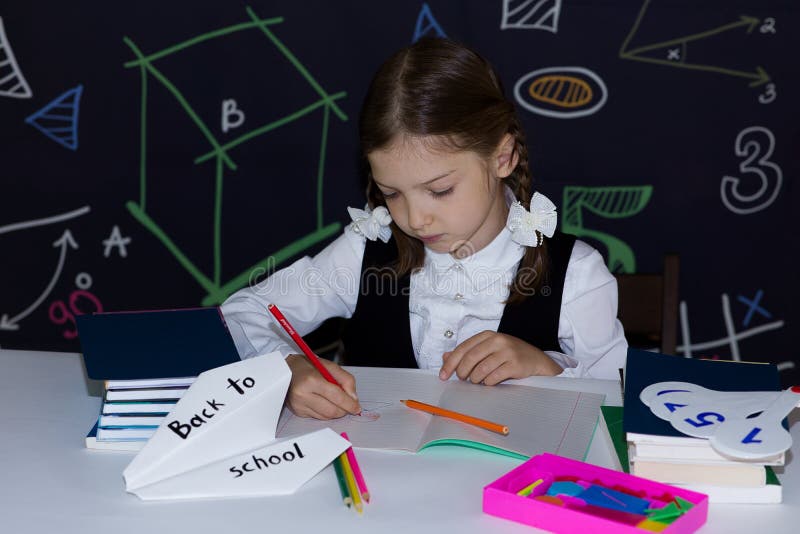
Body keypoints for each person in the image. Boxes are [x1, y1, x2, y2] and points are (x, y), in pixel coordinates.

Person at [221, 37, 627, 420]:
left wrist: (547, 369)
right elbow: (241, 314)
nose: (415, 219)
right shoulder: (365, 251)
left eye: (440, 190)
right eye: (391, 193)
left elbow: (622, 396)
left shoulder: (578, 275)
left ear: (502, 157)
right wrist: (286, 368)